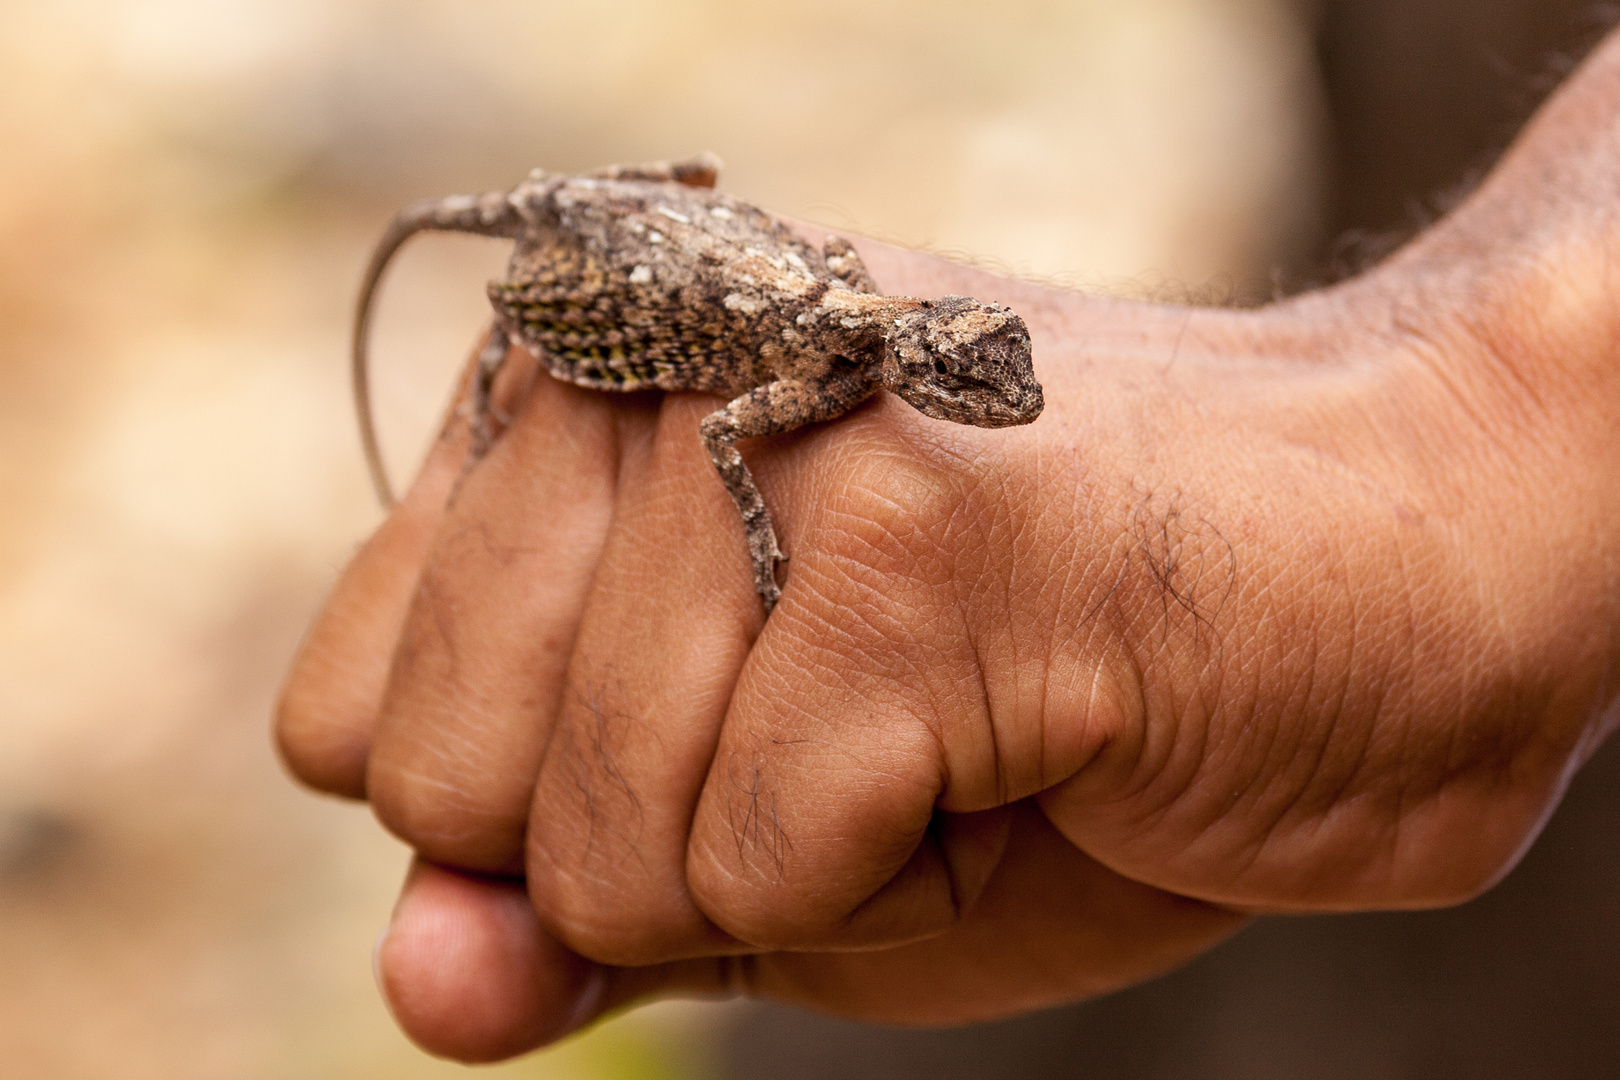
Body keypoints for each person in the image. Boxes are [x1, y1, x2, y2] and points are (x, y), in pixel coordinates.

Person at [275, 25, 1620, 1065]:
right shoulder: (823, 351)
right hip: (652, 261)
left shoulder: (871, 336)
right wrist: (756, 537)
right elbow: (725, 434)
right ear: (923, 358)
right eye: (974, 385)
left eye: (986, 377)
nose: (1001, 410)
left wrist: (1492, 399)